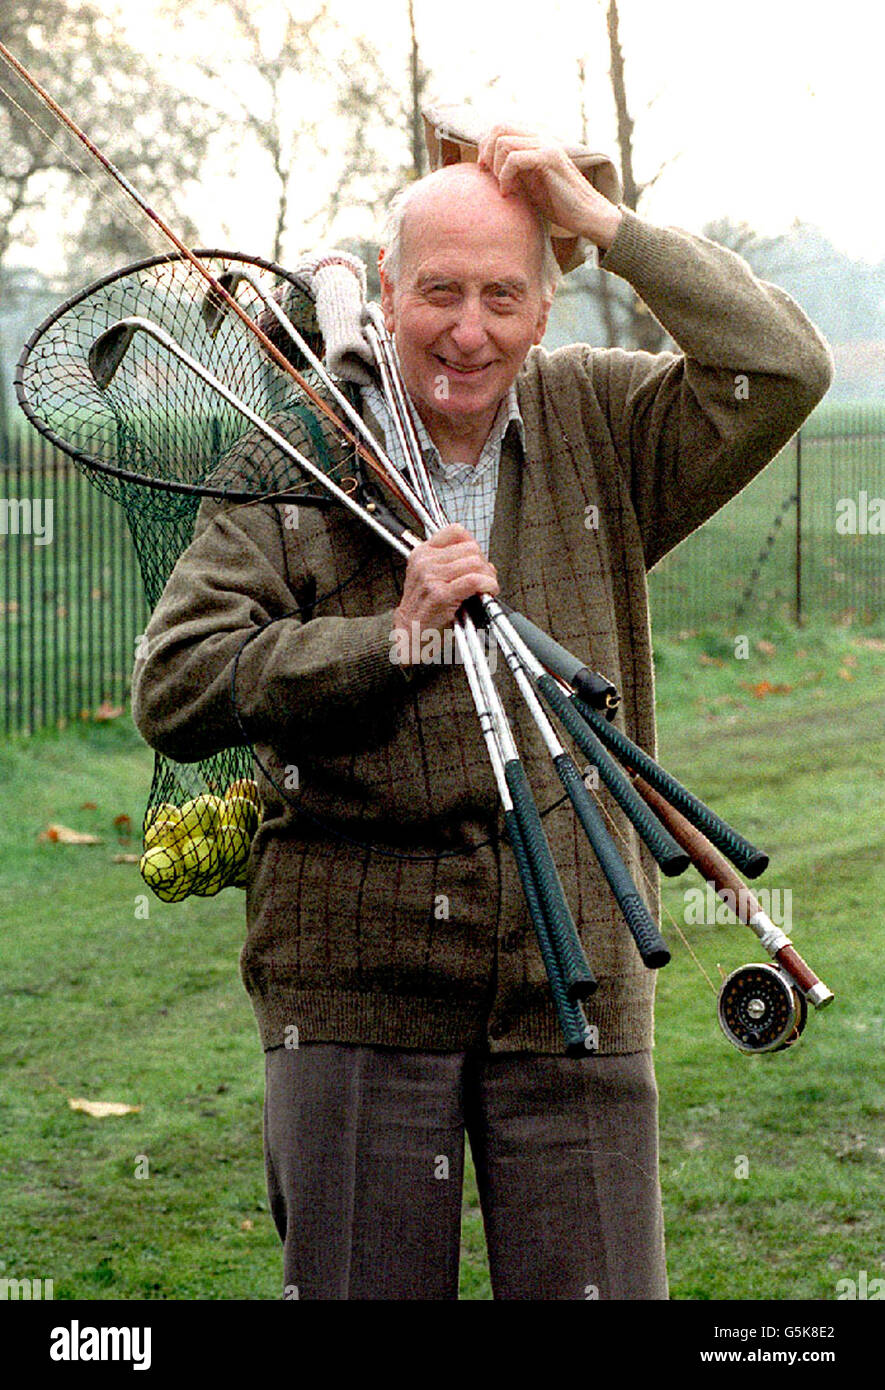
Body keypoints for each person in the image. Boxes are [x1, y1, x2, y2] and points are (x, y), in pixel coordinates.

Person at [131, 126, 833, 1300]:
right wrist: (390, 640)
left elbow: (784, 366)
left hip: (581, 974)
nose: (468, 331)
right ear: (388, 293)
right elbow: (180, 681)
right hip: (353, 976)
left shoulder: (602, 421)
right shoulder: (293, 446)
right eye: (440, 293)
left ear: (547, 309)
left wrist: (608, 227)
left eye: (503, 295)